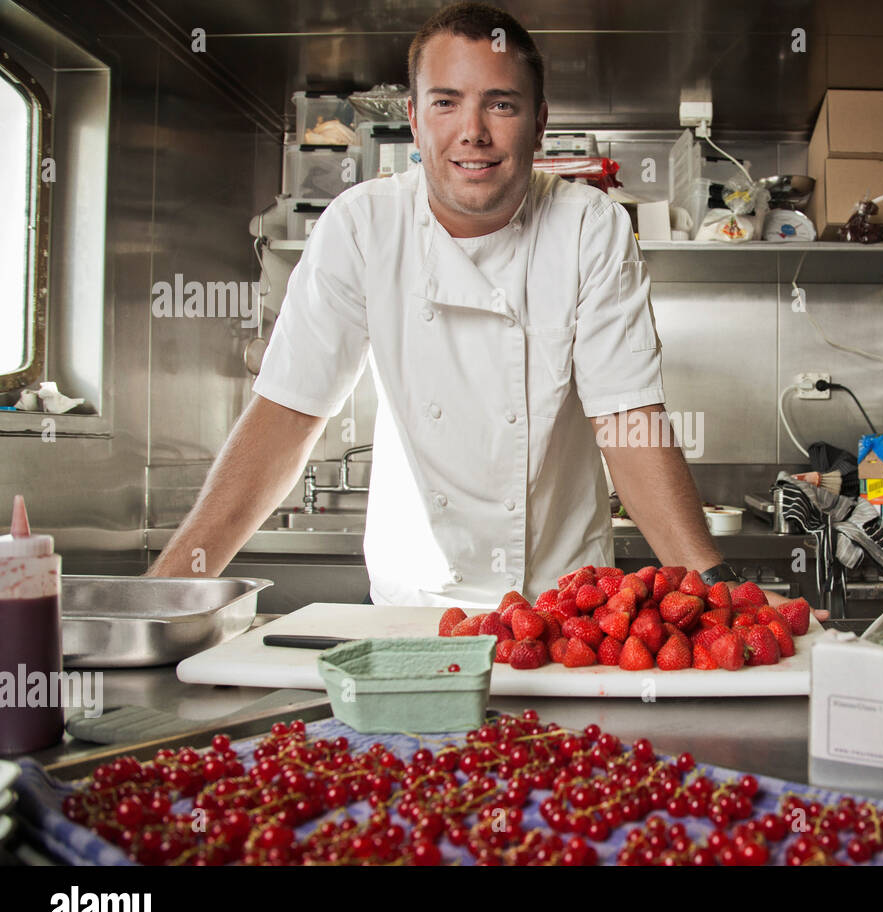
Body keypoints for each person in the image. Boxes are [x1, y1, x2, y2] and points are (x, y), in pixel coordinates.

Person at [150, 2, 817, 618]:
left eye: (501, 104)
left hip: (565, 613)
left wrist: (718, 590)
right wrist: (172, 590)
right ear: (413, 118)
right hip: (415, 609)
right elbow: (287, 415)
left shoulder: (590, 226)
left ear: (539, 120)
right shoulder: (362, 226)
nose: (473, 132)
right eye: (446, 103)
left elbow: (626, 422)